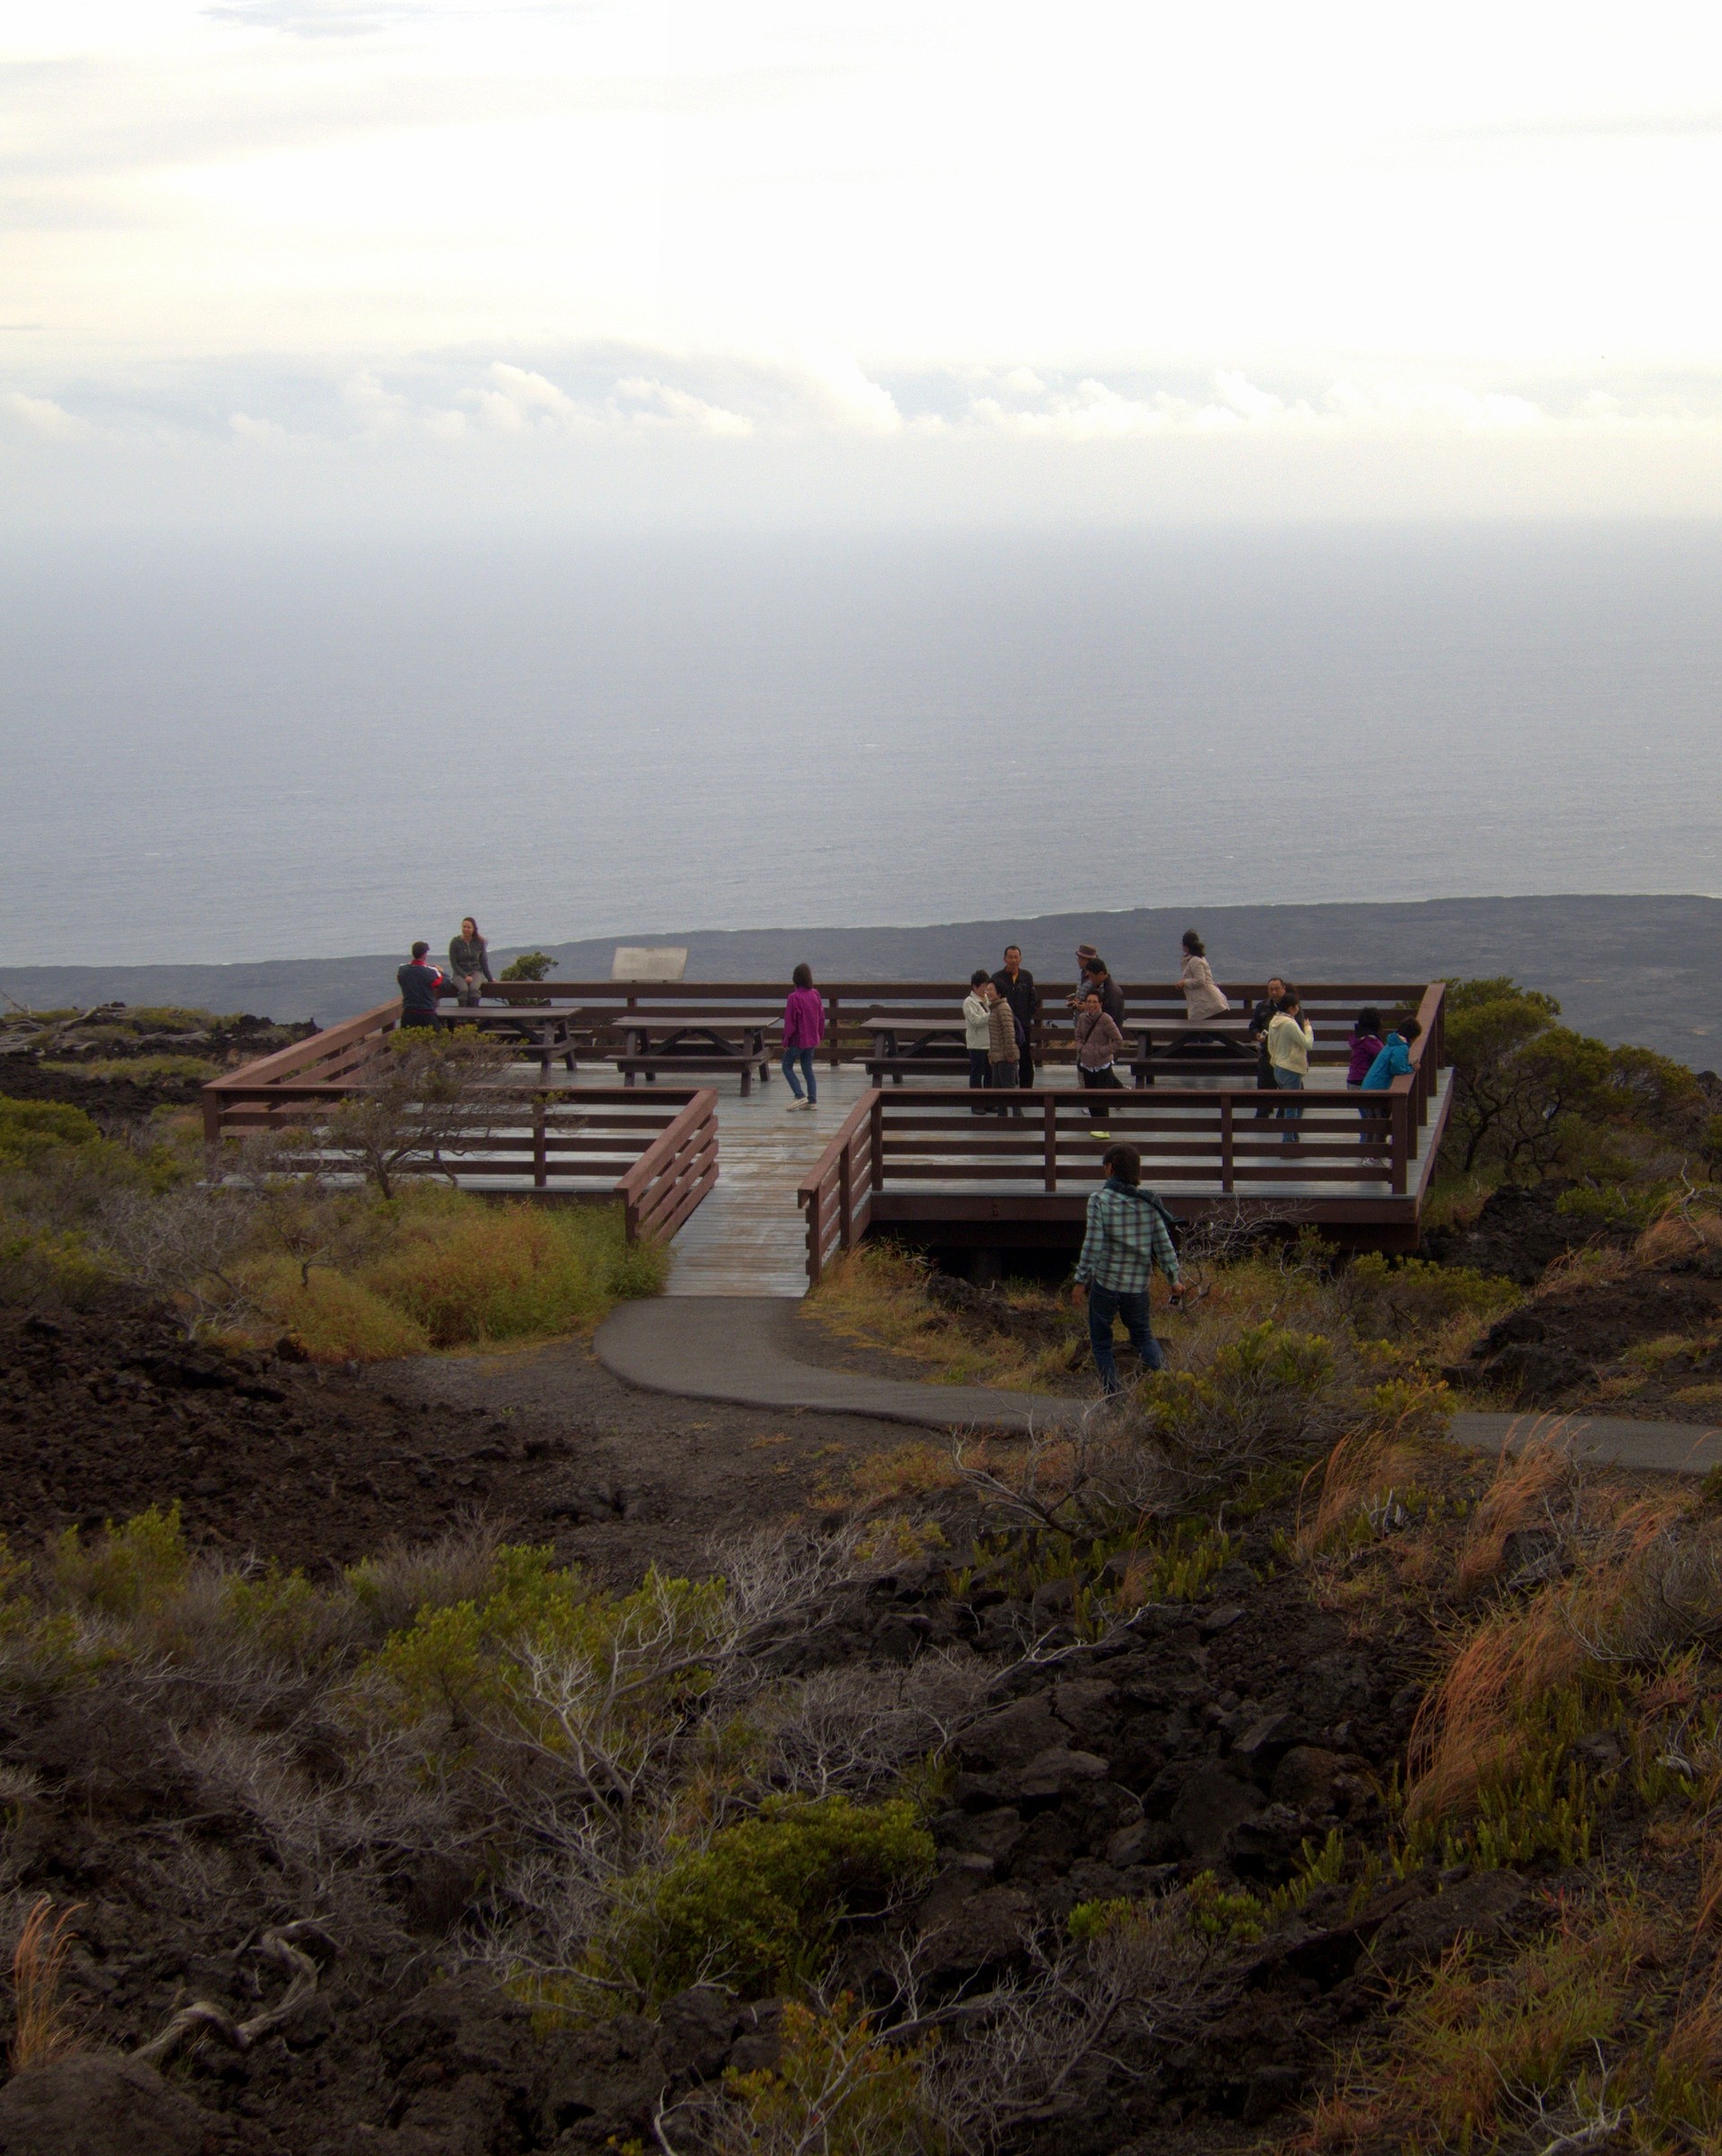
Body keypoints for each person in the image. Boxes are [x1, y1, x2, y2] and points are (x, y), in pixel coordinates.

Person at [1071, 1141, 1183, 1394]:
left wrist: (1080, 1280)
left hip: (1107, 1284)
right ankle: (1169, 1387)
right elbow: (1163, 1244)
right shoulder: (1149, 1202)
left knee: (1101, 1343)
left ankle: (1114, 1398)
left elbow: (1093, 1243)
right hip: (1137, 1286)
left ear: (1110, 1168)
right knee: (1143, 1336)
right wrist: (1173, 1279)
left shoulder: (1099, 1200)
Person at [1360, 1015, 1423, 1156]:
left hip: (1370, 1087)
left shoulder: (1392, 1043)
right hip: (1377, 1091)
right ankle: (1374, 1156)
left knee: (1373, 1123)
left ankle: (1369, 1154)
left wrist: (1408, 1064)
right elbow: (1397, 1069)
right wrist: (1413, 1068)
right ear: (1412, 1037)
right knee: (1381, 1124)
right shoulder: (1401, 1048)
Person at [1073, 988, 1127, 1130]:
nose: (1091, 1004)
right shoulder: (1082, 1018)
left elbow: (1118, 1040)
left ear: (1101, 1004)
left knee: (1102, 1097)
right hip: (1086, 1063)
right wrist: (1081, 1049)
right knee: (1090, 1096)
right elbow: (1078, 1037)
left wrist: (1101, 1052)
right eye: (1089, 1001)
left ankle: (1103, 1127)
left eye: (1095, 1002)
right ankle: (1095, 1125)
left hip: (1102, 1064)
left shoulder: (1105, 1019)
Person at [1266, 991, 1315, 1144]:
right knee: (1292, 1107)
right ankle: (1289, 1140)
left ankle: (1294, 1136)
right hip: (1291, 1068)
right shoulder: (1289, 1023)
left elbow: (1271, 1045)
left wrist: (1275, 1061)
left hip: (1279, 1066)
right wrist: (1308, 1028)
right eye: (1296, 1006)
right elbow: (1307, 1044)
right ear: (1291, 1008)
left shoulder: (1274, 1021)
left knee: (1296, 1104)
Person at [991, 946, 1038, 1089]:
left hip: (1023, 1026)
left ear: (1020, 959)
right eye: (1010, 957)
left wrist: (1026, 1017)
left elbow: (1033, 1000)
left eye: (1016, 957)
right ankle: (1005, 1089)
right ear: (1004, 959)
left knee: (1025, 1058)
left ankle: (1026, 1090)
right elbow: (992, 999)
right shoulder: (997, 978)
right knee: (1004, 1057)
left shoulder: (1027, 976)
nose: (1013, 960)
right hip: (1004, 1025)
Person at [781, 962, 825, 1110]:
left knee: (786, 1066)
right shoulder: (815, 994)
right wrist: (820, 1034)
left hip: (797, 1041)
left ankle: (799, 1095)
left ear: (795, 979)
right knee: (808, 1069)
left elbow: (790, 1023)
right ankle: (812, 1101)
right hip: (812, 1040)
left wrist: (786, 1039)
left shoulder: (793, 998)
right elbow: (821, 1017)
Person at [1248, 976, 1289, 1120]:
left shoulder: (1292, 1006)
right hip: (1267, 1052)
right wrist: (1257, 1035)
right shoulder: (1262, 1006)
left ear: (1284, 989)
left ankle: (1284, 1117)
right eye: (1271, 989)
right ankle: (1262, 1117)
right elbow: (1253, 1025)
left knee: (1287, 1087)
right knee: (1264, 1087)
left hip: (1285, 1054)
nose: (1274, 992)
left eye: (1277, 989)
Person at [985, 979, 1022, 1116]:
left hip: (1006, 1056)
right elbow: (994, 1036)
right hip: (997, 1056)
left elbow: (1009, 1031)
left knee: (1009, 1089)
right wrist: (991, 1053)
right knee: (998, 1090)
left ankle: (1018, 1119)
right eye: (986, 990)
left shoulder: (1003, 1008)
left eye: (990, 990)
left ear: (999, 993)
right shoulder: (994, 1008)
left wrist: (1010, 1052)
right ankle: (1002, 1118)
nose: (987, 992)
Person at [1179, 931, 1231, 1022]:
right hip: (1204, 1004)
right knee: (1202, 1034)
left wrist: (1184, 982)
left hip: (1206, 1005)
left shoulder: (1195, 960)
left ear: (1186, 946)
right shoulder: (1195, 958)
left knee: (1198, 1033)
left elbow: (1200, 980)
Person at [963, 968, 993, 1110]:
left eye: (987, 987)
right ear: (974, 987)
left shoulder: (987, 999)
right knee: (976, 1074)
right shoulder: (969, 1002)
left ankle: (988, 1103)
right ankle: (976, 1104)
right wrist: (992, 1014)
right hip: (976, 1044)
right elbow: (976, 1021)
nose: (986, 990)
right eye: (983, 987)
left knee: (990, 1074)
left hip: (988, 1043)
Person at [447, 917, 493, 1008]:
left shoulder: (479, 942)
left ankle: (474, 1017)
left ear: (473, 929)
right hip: (459, 973)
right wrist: (465, 976)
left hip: (476, 971)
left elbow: (483, 961)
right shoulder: (455, 942)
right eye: (464, 927)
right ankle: (462, 1017)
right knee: (463, 990)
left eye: (469, 927)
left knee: (474, 989)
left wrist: (490, 978)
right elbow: (454, 963)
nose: (466, 929)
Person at [397, 941, 444, 1029]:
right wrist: (441, 971)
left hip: (408, 1013)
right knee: (436, 1039)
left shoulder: (402, 969)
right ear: (424, 955)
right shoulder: (431, 971)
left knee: (408, 1040)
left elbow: (400, 979)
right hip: (427, 1013)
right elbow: (442, 984)